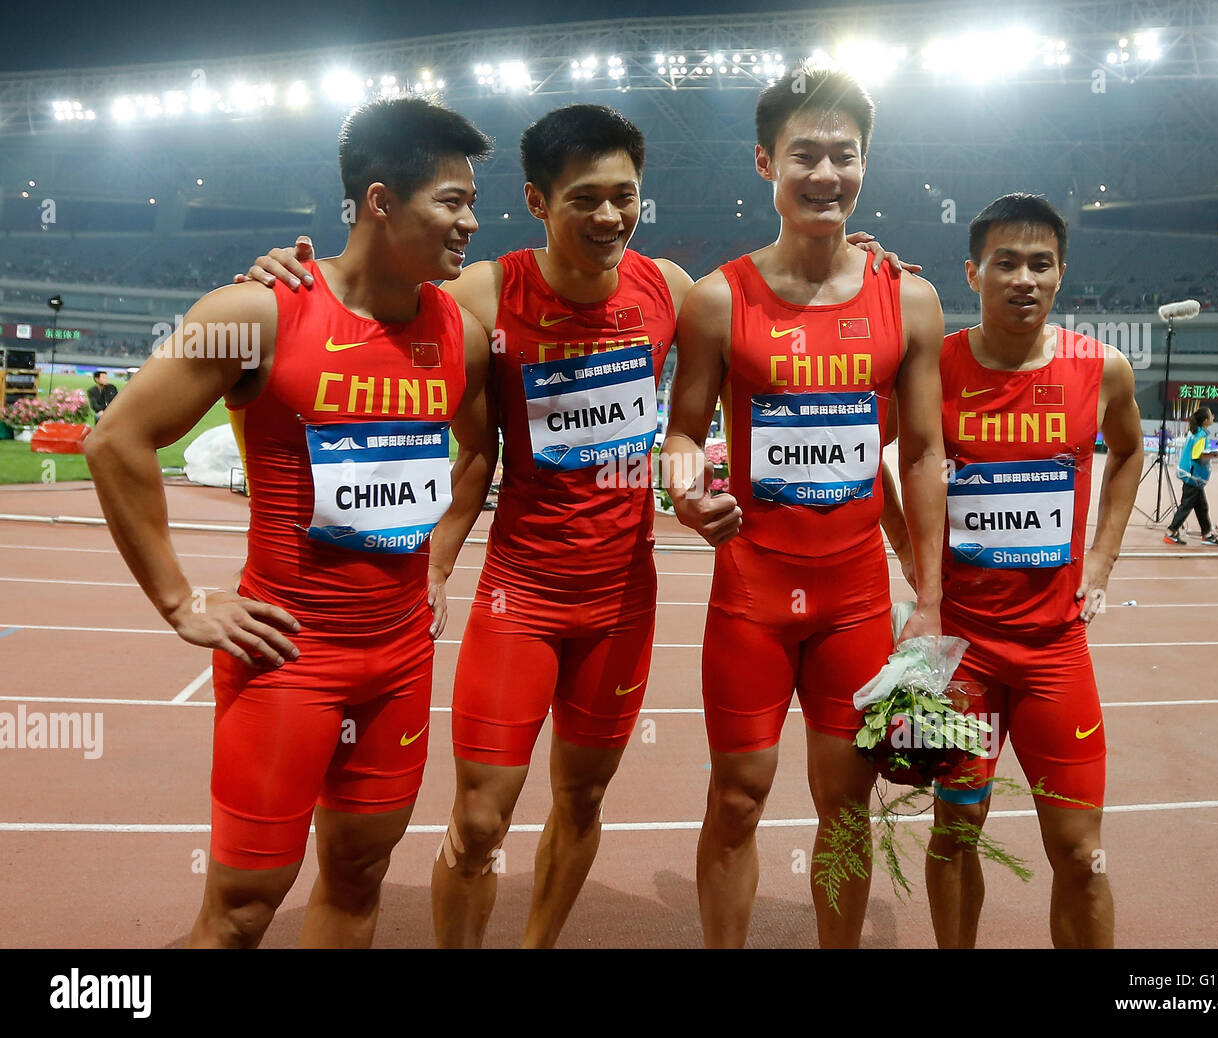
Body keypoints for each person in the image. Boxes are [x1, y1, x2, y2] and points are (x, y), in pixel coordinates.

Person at [243, 103, 910, 949]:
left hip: (625, 600)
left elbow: (689, 432)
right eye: (585, 199)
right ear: (536, 200)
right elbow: (367, 296)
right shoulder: (486, 290)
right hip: (521, 596)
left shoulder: (671, 290)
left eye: (624, 197)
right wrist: (290, 273)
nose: (609, 217)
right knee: (481, 822)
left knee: (584, 799)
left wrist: (870, 264)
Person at [86, 95, 496, 948]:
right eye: (452, 202)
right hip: (287, 659)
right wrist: (178, 602)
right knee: (240, 912)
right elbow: (117, 439)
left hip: (400, 663)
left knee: (359, 877)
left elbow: (473, 455)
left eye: (473, 203)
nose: (471, 222)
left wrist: (438, 563)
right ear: (380, 201)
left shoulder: (459, 331)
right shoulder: (256, 313)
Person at [660, 64, 948, 948]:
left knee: (848, 805)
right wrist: (683, 491)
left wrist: (929, 598)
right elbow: (680, 434)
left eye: (844, 155)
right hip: (752, 592)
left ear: (865, 164)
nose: (827, 174)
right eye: (805, 155)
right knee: (736, 798)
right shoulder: (717, 299)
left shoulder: (910, 296)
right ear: (765, 163)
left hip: (856, 597)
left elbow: (926, 451)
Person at [882, 192, 1145, 948]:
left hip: (1055, 654)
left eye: (1041, 263)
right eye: (1006, 263)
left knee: (1081, 856)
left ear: (1061, 275)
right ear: (974, 272)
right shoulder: (933, 369)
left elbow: (1128, 453)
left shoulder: (1104, 369)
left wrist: (1101, 557)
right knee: (953, 837)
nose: (1023, 278)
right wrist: (908, 554)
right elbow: (874, 455)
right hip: (962, 657)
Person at [1165, 406, 1218, 544]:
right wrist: (1214, 454)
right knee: (1186, 506)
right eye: (1211, 415)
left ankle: (1207, 533)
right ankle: (1171, 531)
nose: (1213, 417)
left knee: (1201, 507)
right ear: (1205, 420)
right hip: (1193, 476)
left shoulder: (1195, 432)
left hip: (1192, 476)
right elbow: (1198, 456)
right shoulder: (1200, 436)